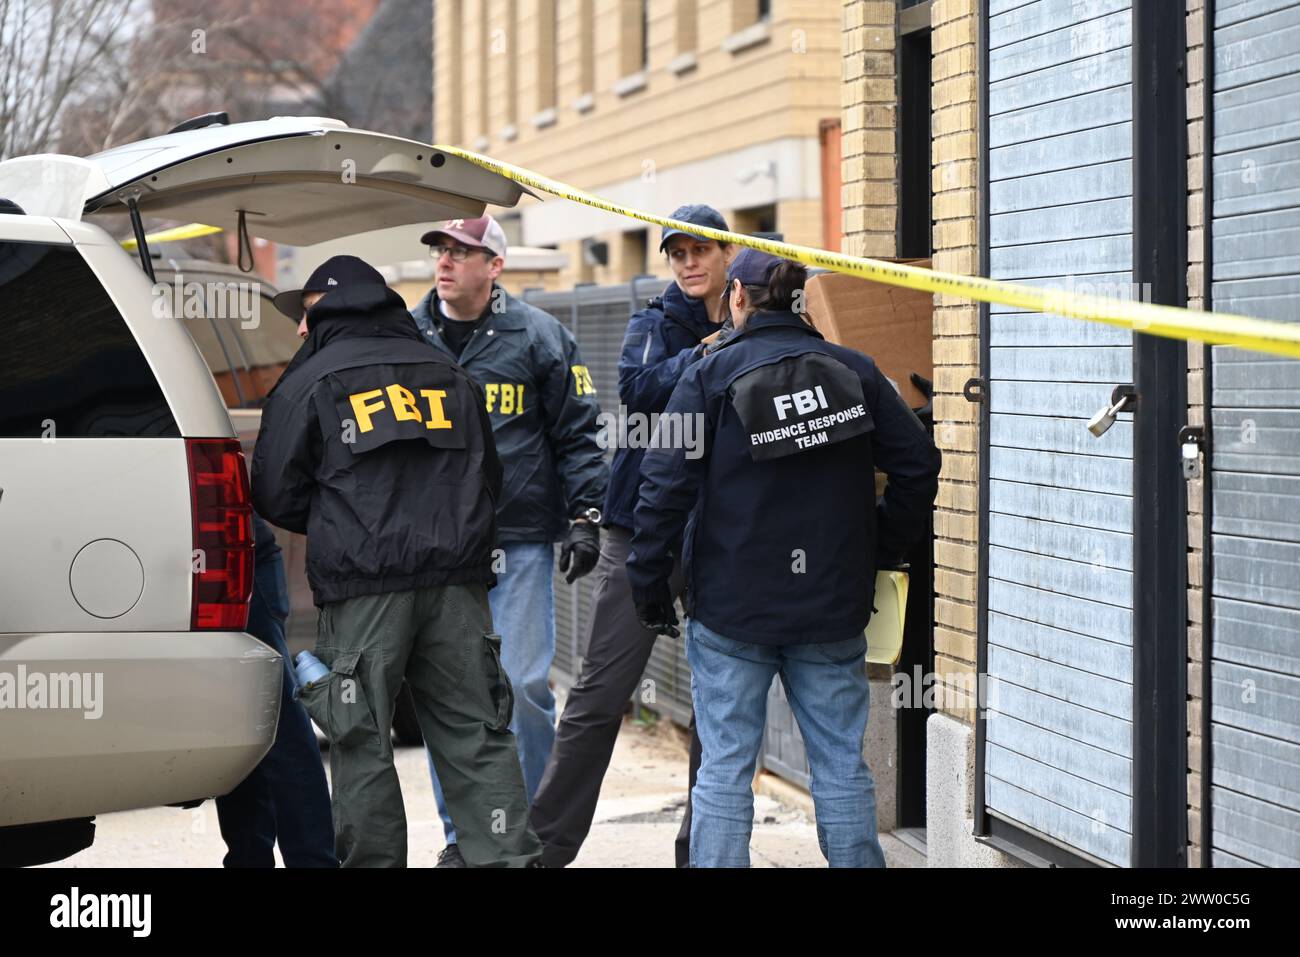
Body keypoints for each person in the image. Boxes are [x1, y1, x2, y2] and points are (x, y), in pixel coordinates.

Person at [627, 248, 942, 867]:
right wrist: (882, 545)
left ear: (738, 298)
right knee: (840, 768)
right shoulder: (855, 369)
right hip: (831, 604)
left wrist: (649, 580)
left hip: (731, 608)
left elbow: (663, 486)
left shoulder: (708, 376)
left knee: (723, 770)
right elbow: (919, 466)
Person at [252, 254, 540, 868]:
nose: (300, 331)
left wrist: (342, 522)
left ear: (324, 310)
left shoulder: (311, 378)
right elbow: (491, 476)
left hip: (364, 591)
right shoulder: (447, 370)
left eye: (304, 315)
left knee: (359, 741)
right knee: (477, 735)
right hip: (457, 587)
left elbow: (274, 491)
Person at [528, 204, 732, 868]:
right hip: (641, 525)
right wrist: (705, 354)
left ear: (726, 252)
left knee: (720, 702)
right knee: (599, 692)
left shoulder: (750, 316)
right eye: (677, 254)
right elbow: (640, 389)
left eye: (699, 250)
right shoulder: (654, 323)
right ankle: (544, 847)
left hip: (725, 532)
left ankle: (702, 850)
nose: (689, 263)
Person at [410, 215, 607, 867]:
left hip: (518, 539)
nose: (445, 262)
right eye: (441, 250)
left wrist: (585, 514)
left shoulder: (540, 337)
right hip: (437, 547)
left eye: (462, 252)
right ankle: (462, 836)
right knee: (453, 694)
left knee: (520, 685)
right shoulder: (407, 337)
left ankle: (528, 829)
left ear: (495, 266)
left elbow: (578, 432)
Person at [214, 514, 337, 868]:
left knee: (278, 720)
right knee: (236, 721)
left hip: (234, 555)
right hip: (201, 557)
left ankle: (314, 862)